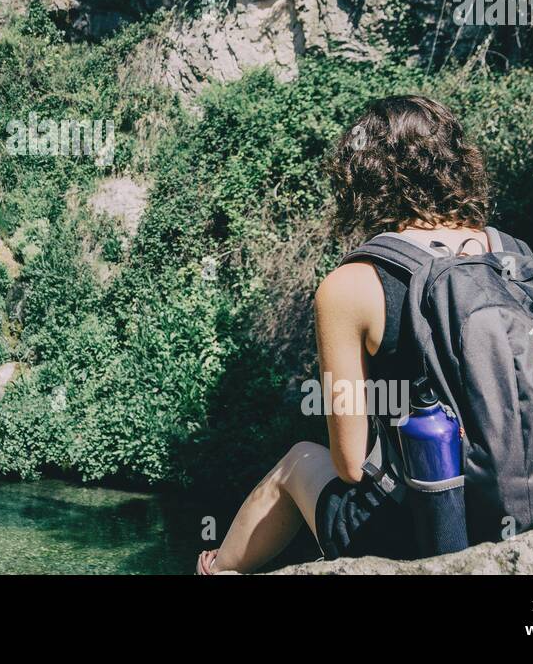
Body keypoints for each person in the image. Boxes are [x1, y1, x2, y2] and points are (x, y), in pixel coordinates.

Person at [197, 94, 497, 574]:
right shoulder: (510, 258)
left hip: (434, 531)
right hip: (529, 511)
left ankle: (214, 572)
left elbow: (350, 465)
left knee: (298, 462)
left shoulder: (353, 285)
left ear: (362, 180)